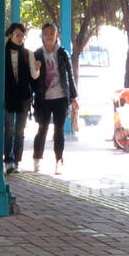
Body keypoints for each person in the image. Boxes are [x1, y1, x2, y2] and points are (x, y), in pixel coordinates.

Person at [32, 23, 80, 175]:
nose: (49, 36)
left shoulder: (63, 53)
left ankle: (59, 160)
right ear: (42, 36)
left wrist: (73, 96)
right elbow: (32, 78)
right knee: (42, 128)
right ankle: (37, 159)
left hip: (61, 97)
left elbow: (70, 76)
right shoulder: (37, 54)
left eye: (51, 33)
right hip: (43, 98)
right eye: (45, 33)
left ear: (56, 35)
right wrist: (36, 69)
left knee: (59, 130)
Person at [3, 22, 38, 173]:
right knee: (9, 129)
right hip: (8, 96)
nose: (20, 38)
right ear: (10, 35)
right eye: (17, 35)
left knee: (20, 131)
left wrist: (37, 69)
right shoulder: (2, 53)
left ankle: (16, 161)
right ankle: (8, 160)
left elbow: (34, 76)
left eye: (22, 36)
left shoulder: (28, 54)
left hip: (24, 96)